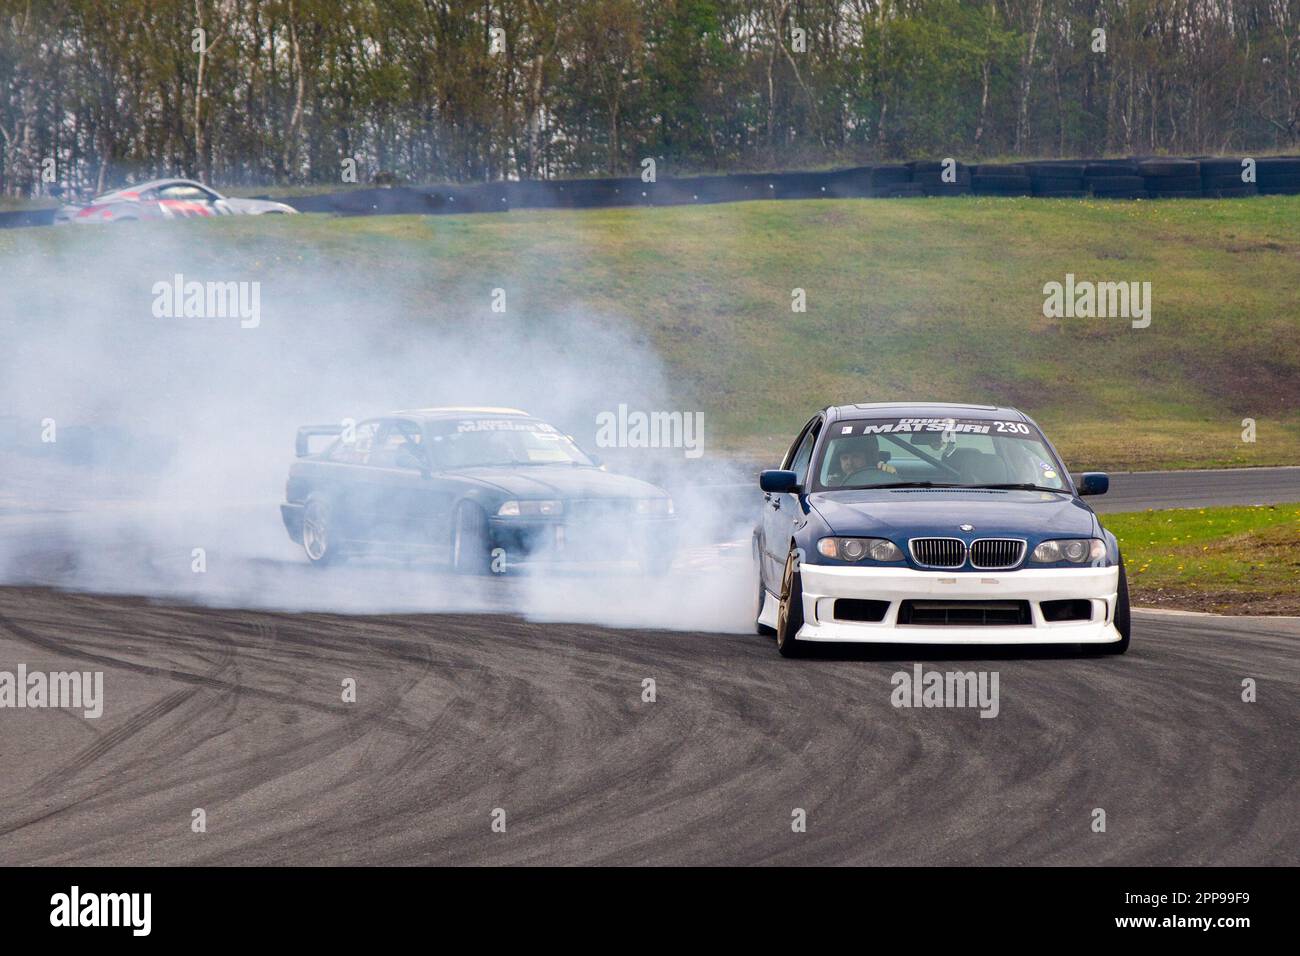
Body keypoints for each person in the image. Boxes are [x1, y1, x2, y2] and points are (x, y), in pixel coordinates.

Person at [826, 435, 897, 486]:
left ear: (868, 459)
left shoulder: (882, 474)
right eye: (845, 458)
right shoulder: (830, 484)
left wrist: (890, 476)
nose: (850, 463)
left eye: (855, 457)